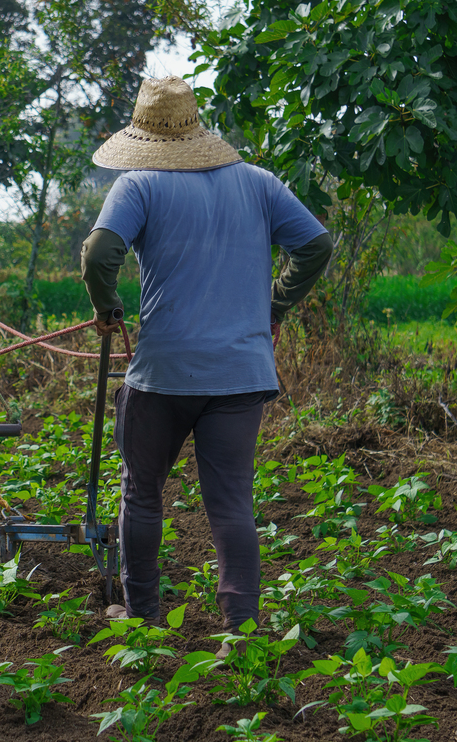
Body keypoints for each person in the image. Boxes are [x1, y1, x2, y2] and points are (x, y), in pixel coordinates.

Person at [80, 75, 333, 656]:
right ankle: (241, 632)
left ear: (143, 135)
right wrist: (274, 305)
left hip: (164, 374)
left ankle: (143, 617)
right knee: (231, 503)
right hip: (242, 375)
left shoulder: (138, 183)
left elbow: (99, 253)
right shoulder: (259, 182)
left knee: (143, 493)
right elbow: (316, 245)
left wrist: (107, 307)